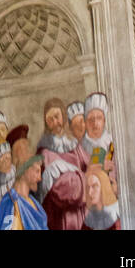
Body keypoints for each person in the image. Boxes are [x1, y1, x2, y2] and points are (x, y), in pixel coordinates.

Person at [36, 97, 87, 231]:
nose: (55, 122)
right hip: (61, 217)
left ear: (63, 116)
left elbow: (90, 166)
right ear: (46, 123)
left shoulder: (74, 144)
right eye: (50, 120)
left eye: (57, 116)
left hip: (83, 214)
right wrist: (86, 182)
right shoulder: (45, 151)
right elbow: (60, 189)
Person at [0, 154, 48, 231]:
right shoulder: (11, 202)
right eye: (37, 171)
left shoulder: (34, 203)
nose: (39, 178)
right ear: (25, 172)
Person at [84, 164, 120, 230]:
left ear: (103, 188)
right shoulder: (88, 220)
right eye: (88, 187)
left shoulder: (113, 218)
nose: (90, 192)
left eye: (94, 186)